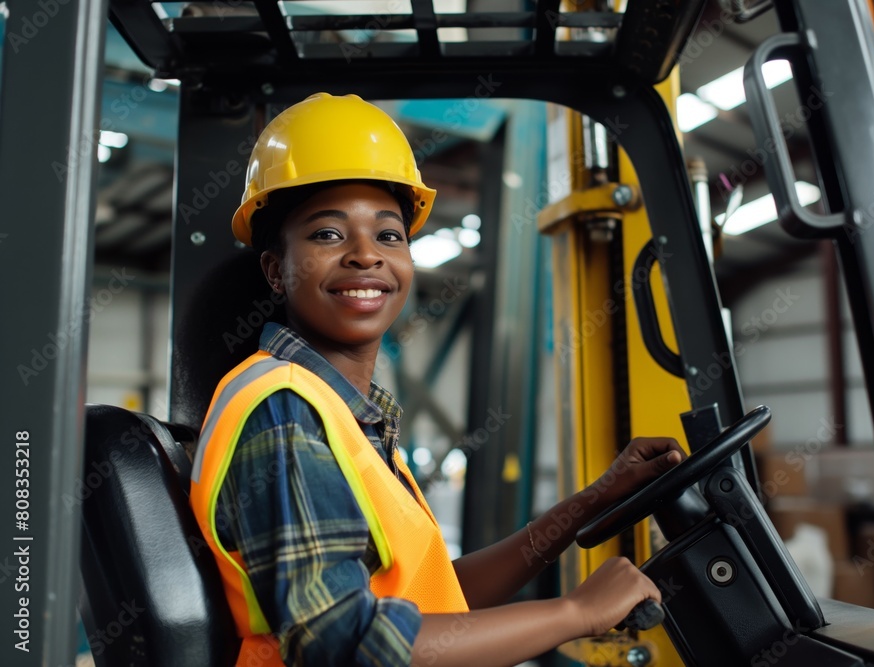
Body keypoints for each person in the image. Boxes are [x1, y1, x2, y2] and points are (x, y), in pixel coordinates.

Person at [189, 93, 686, 667]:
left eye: (389, 235)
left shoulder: (344, 413)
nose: (365, 255)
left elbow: (437, 600)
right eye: (328, 234)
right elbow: (341, 643)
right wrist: (575, 614)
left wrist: (590, 503)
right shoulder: (283, 415)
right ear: (276, 270)